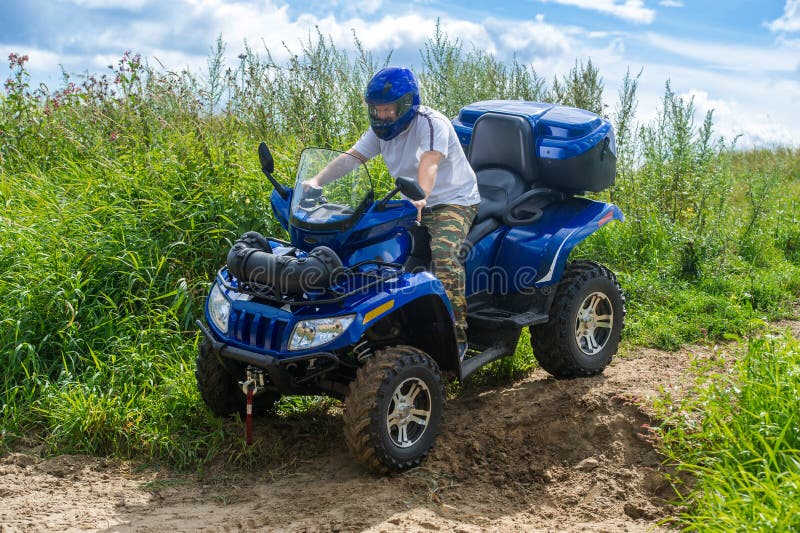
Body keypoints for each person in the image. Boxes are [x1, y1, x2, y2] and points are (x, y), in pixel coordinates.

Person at [309, 66, 480, 358]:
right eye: (376, 109)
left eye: (387, 109)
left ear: (406, 105)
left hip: (452, 200)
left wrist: (420, 198)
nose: (381, 115)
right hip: (409, 202)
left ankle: (457, 335)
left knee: (444, 254)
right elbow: (352, 158)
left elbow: (430, 163)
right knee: (370, 249)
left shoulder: (431, 124)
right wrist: (315, 182)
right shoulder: (380, 131)